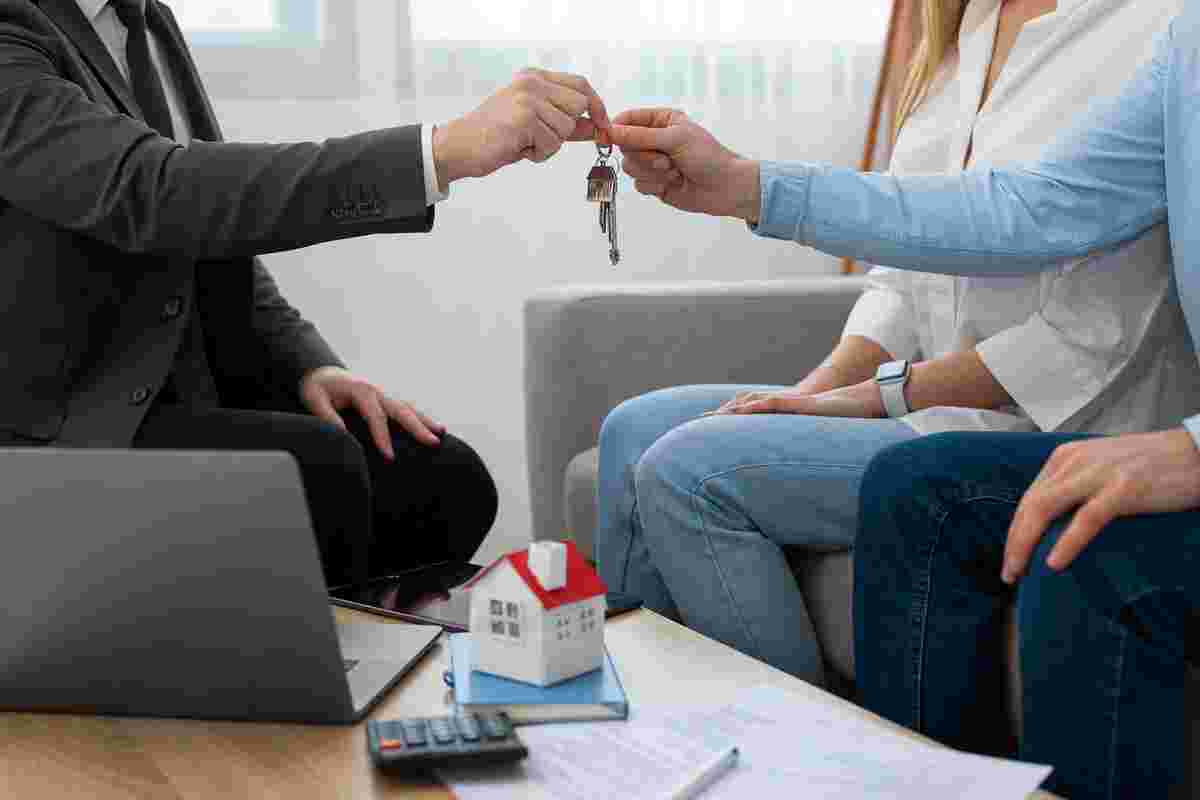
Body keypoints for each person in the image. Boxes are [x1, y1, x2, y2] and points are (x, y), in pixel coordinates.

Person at [607, 1, 1200, 796]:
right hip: (934, 405)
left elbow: (1092, 325)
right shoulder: (982, 28)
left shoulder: (1150, 23)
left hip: (1051, 416)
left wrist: (878, 396)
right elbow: (973, 236)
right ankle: (646, 765)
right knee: (633, 430)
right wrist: (812, 388)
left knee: (696, 472)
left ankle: (800, 779)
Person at [0, 0, 611, 586]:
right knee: (320, 474)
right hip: (68, 418)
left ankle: (372, 646)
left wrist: (305, 365)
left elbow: (214, 238)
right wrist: (439, 152)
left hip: (185, 384)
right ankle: (307, 654)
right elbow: (157, 192)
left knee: (444, 483)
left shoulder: (143, 20)